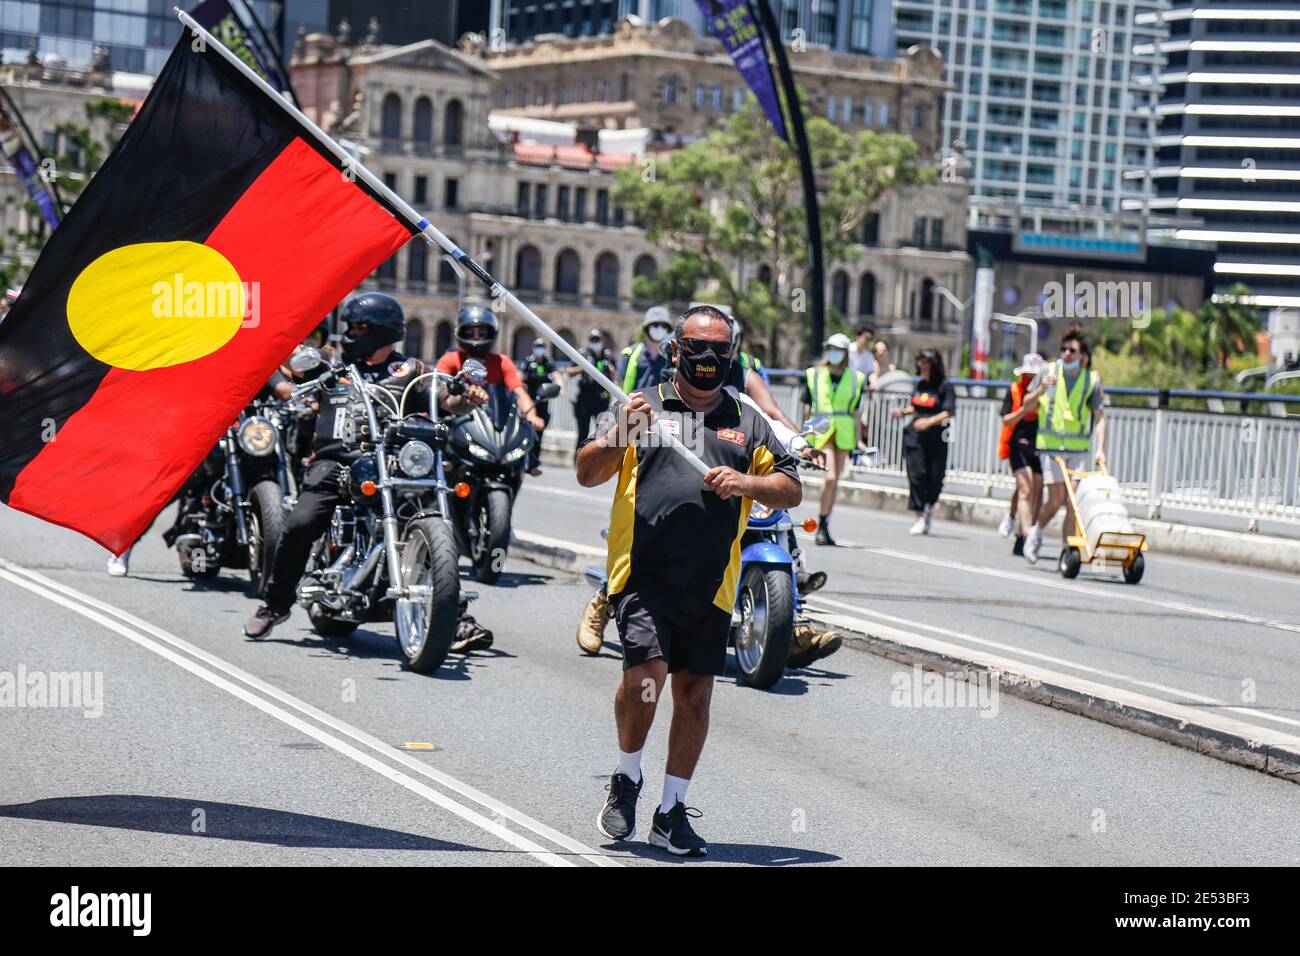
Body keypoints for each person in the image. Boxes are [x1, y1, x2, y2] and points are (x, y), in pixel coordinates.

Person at [578, 305, 801, 856]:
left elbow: (791, 487)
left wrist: (747, 481)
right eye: (696, 348)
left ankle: (671, 811)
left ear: (732, 357)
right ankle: (627, 778)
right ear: (676, 350)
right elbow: (587, 471)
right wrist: (620, 434)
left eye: (718, 351)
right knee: (646, 676)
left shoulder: (748, 421)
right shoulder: (642, 407)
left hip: (712, 581)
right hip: (643, 574)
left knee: (695, 695)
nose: (706, 359)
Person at [242, 292, 494, 653]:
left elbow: (444, 400)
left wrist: (466, 396)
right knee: (300, 521)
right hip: (334, 460)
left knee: (433, 514)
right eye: (350, 327)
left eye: (359, 327)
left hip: (392, 461)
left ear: (381, 331)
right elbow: (286, 362)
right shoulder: (332, 366)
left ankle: (452, 616)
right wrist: (285, 366)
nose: (351, 333)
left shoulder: (409, 370)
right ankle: (275, 604)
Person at [1026, 325, 1106, 564]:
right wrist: (1042, 388)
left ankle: (1067, 549)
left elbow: (1100, 419)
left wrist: (1100, 448)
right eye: (1063, 350)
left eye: (1072, 350)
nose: (1066, 354)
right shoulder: (1047, 372)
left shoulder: (1091, 380)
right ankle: (1035, 531)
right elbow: (1027, 404)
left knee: (1073, 502)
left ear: (1083, 355)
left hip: (1078, 450)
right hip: (1052, 449)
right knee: (1056, 500)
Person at [435, 306, 546, 434]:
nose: (476, 337)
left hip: (495, 428)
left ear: (491, 333)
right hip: (457, 426)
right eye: (470, 333)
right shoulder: (450, 359)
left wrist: (531, 415)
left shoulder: (502, 362)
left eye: (482, 333)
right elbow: (438, 389)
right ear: (461, 333)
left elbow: (519, 392)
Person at [803, 332, 867, 546]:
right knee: (830, 478)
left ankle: (825, 524)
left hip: (844, 432)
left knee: (835, 480)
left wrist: (859, 439)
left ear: (845, 353)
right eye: (831, 349)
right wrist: (804, 437)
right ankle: (822, 523)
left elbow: (856, 411)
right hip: (821, 431)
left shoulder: (856, 378)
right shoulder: (814, 374)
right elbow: (807, 407)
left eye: (838, 350)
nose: (834, 353)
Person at [891, 349, 955, 535]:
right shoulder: (919, 384)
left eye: (925, 363)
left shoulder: (944, 386)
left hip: (936, 435)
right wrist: (903, 412)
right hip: (915, 435)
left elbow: (948, 411)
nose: (922, 366)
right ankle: (919, 516)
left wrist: (929, 421)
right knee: (916, 474)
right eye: (920, 363)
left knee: (935, 477)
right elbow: (917, 405)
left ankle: (928, 508)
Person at [999, 353, 1045, 560]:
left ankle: (1022, 530)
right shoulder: (1014, 390)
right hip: (1018, 440)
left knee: (1037, 487)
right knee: (1026, 487)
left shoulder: (1045, 392)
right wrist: (1022, 411)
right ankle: (1027, 534)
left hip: (1039, 442)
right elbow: (1006, 420)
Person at [521, 337, 564, 476]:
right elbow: (520, 377)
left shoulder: (548, 362)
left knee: (538, 435)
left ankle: (534, 464)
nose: (539, 349)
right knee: (526, 434)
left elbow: (556, 375)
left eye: (541, 346)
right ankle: (522, 462)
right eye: (537, 346)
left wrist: (560, 386)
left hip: (543, 404)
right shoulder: (529, 361)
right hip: (528, 404)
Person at [567, 328, 615, 453]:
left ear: (602, 340)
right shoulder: (583, 354)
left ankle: (598, 460)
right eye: (593, 339)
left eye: (597, 339)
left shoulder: (608, 355)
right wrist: (583, 367)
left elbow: (615, 377)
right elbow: (569, 372)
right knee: (583, 432)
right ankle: (579, 458)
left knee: (602, 432)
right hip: (585, 398)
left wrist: (610, 369)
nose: (595, 342)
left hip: (602, 399)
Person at [616, 306, 674, 392]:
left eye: (664, 326)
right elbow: (619, 383)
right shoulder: (629, 353)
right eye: (655, 325)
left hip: (662, 405)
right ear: (647, 328)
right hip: (633, 404)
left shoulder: (674, 357)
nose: (659, 329)